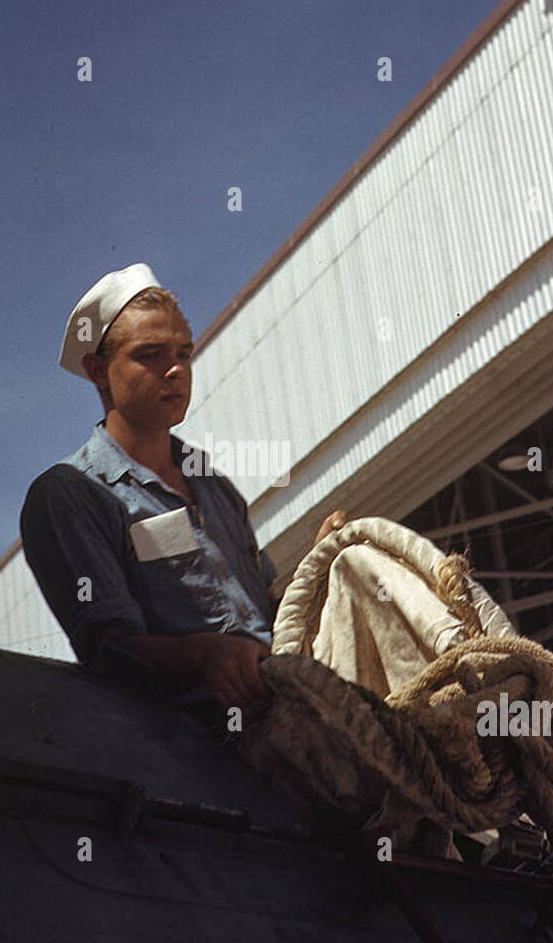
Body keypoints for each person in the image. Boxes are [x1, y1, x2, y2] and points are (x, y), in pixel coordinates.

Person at [20, 262, 345, 721]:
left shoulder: (214, 488)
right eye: (150, 355)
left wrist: (319, 572)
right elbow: (107, 649)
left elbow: (265, 614)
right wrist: (205, 655)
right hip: (193, 746)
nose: (175, 370)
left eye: (184, 353)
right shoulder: (71, 496)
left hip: (286, 705)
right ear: (98, 371)